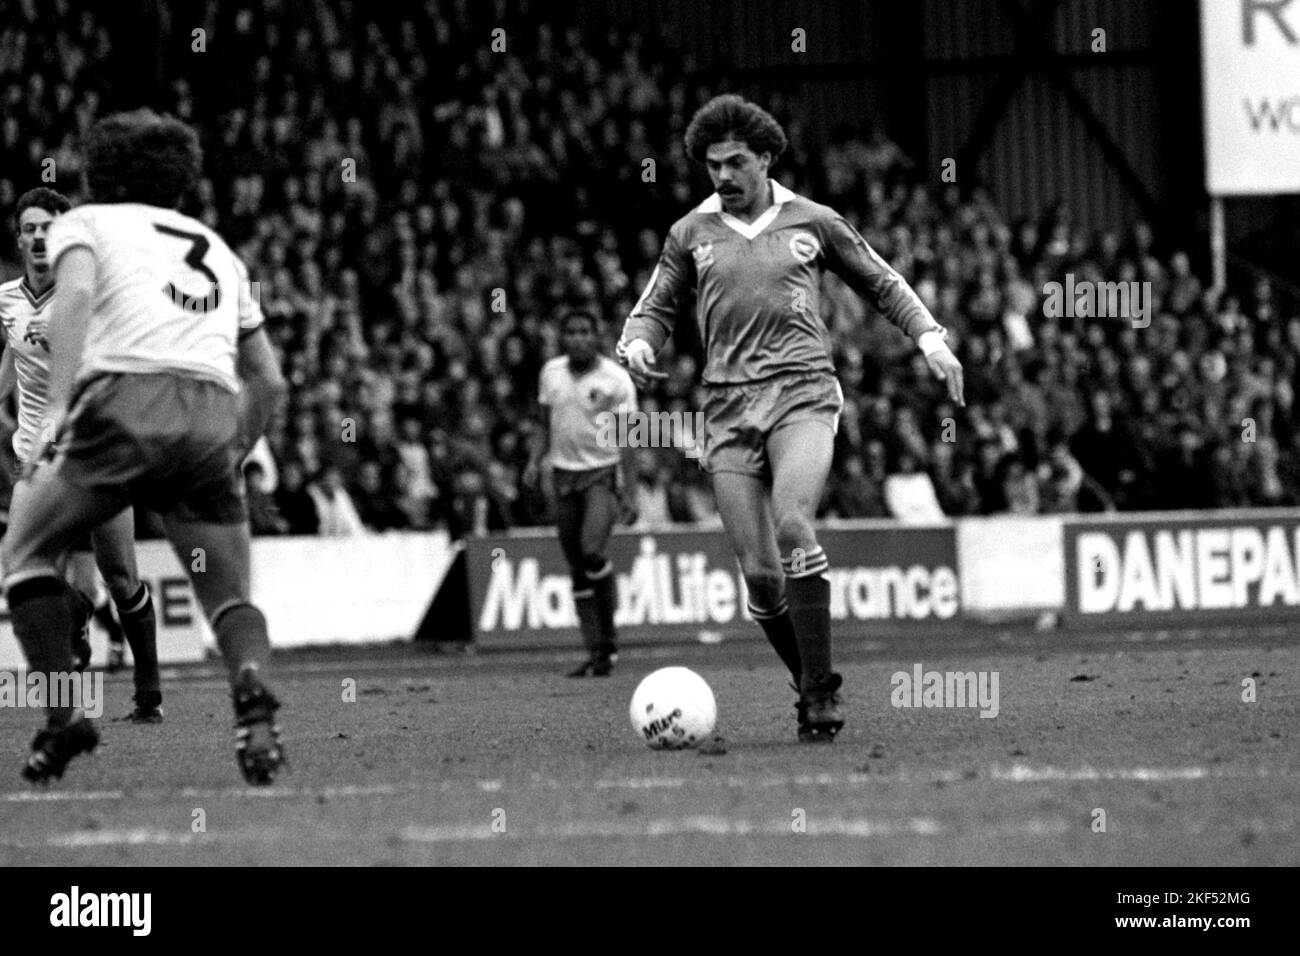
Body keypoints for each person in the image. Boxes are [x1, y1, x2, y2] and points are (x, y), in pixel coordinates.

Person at [619, 94, 964, 741]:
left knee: (794, 521)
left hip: (803, 394)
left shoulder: (813, 221)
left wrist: (930, 339)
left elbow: (882, 281)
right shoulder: (690, 233)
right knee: (758, 575)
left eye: (736, 162)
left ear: (767, 158)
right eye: (712, 164)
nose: (722, 175)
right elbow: (656, 305)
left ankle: (820, 693)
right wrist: (638, 342)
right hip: (725, 410)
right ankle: (808, 684)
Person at [2, 109, 288, 785]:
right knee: (228, 596)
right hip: (212, 416)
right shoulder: (219, 248)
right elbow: (271, 381)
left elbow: (71, 302)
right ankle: (251, 696)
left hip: (119, 406)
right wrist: (233, 452)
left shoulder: (86, 224)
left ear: (98, 172)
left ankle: (64, 715)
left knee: (24, 554)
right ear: (182, 179)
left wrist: (60, 410)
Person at [0, 187, 162, 720]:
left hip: (96, 456)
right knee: (33, 574)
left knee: (119, 577)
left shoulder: (92, 298)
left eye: (49, 227)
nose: (40, 237)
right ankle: (69, 699)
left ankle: (148, 695)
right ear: (18, 238)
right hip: (37, 460)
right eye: (30, 229)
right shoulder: (7, 300)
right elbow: (15, 352)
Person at [525, 309, 637, 677]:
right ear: (562, 337)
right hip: (562, 476)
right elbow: (544, 423)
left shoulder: (616, 380)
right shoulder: (550, 373)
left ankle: (609, 639)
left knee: (591, 551)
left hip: (600, 475)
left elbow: (630, 438)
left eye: (584, 331)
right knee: (576, 567)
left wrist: (631, 493)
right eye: (570, 332)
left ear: (596, 335)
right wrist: (533, 460)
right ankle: (597, 651)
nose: (577, 338)